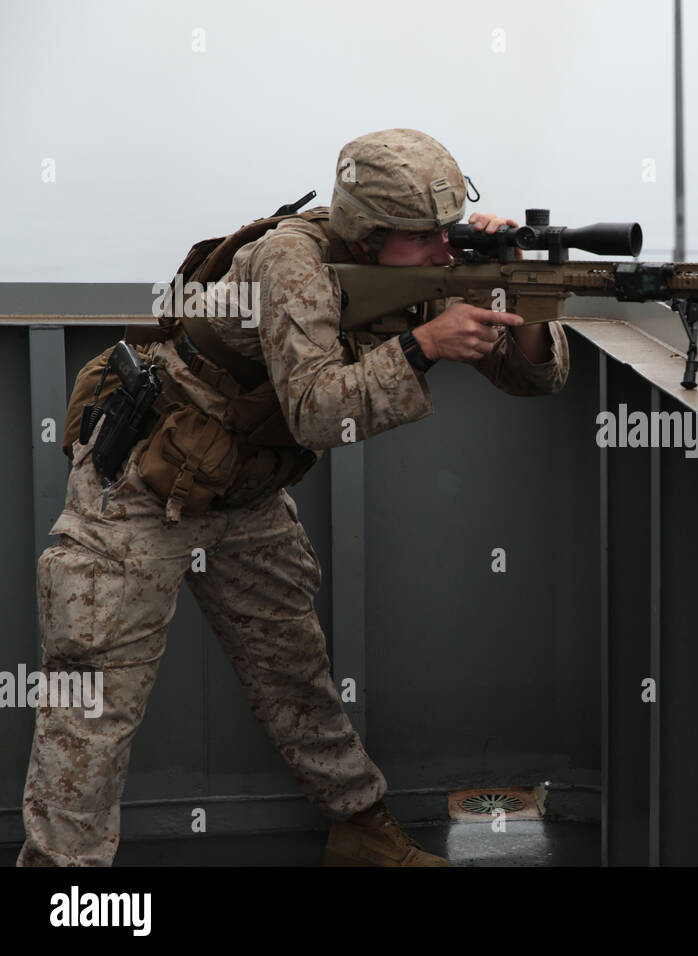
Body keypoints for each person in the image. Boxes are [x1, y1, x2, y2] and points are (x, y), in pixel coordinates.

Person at [17, 128, 569, 867]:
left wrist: (521, 292)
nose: (446, 251)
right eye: (427, 238)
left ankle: (361, 831)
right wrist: (423, 347)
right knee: (91, 707)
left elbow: (535, 379)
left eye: (450, 232)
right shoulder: (289, 263)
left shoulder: (427, 264)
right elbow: (317, 410)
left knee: (294, 671)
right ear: (370, 238)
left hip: (243, 489)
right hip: (141, 489)